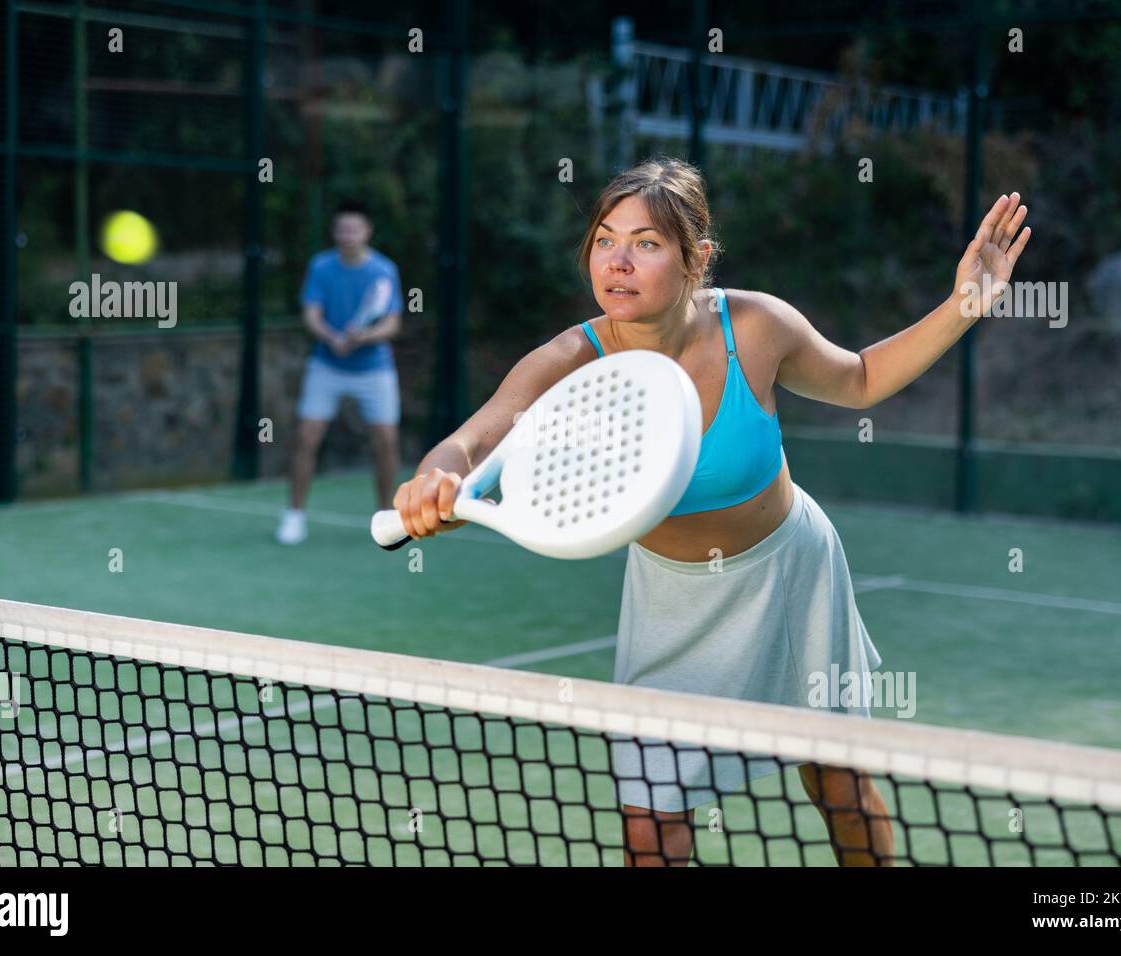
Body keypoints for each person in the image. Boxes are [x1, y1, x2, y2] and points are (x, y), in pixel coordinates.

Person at [389, 157, 1030, 865]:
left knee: (839, 783)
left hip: (794, 577)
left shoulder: (754, 327)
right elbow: (474, 438)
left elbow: (863, 378)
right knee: (649, 820)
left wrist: (964, 304)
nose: (618, 262)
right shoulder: (572, 357)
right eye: (604, 240)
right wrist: (432, 480)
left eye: (646, 243)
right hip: (670, 605)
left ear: (696, 258)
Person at [277, 200, 404, 545]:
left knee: (386, 442)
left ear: (367, 231)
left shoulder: (383, 270)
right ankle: (294, 516)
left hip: (374, 369)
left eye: (354, 229)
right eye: (342, 229)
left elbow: (392, 323)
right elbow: (311, 315)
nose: (348, 235)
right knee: (306, 437)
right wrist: (332, 337)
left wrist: (365, 336)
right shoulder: (321, 267)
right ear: (335, 233)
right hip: (326, 365)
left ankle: (386, 517)